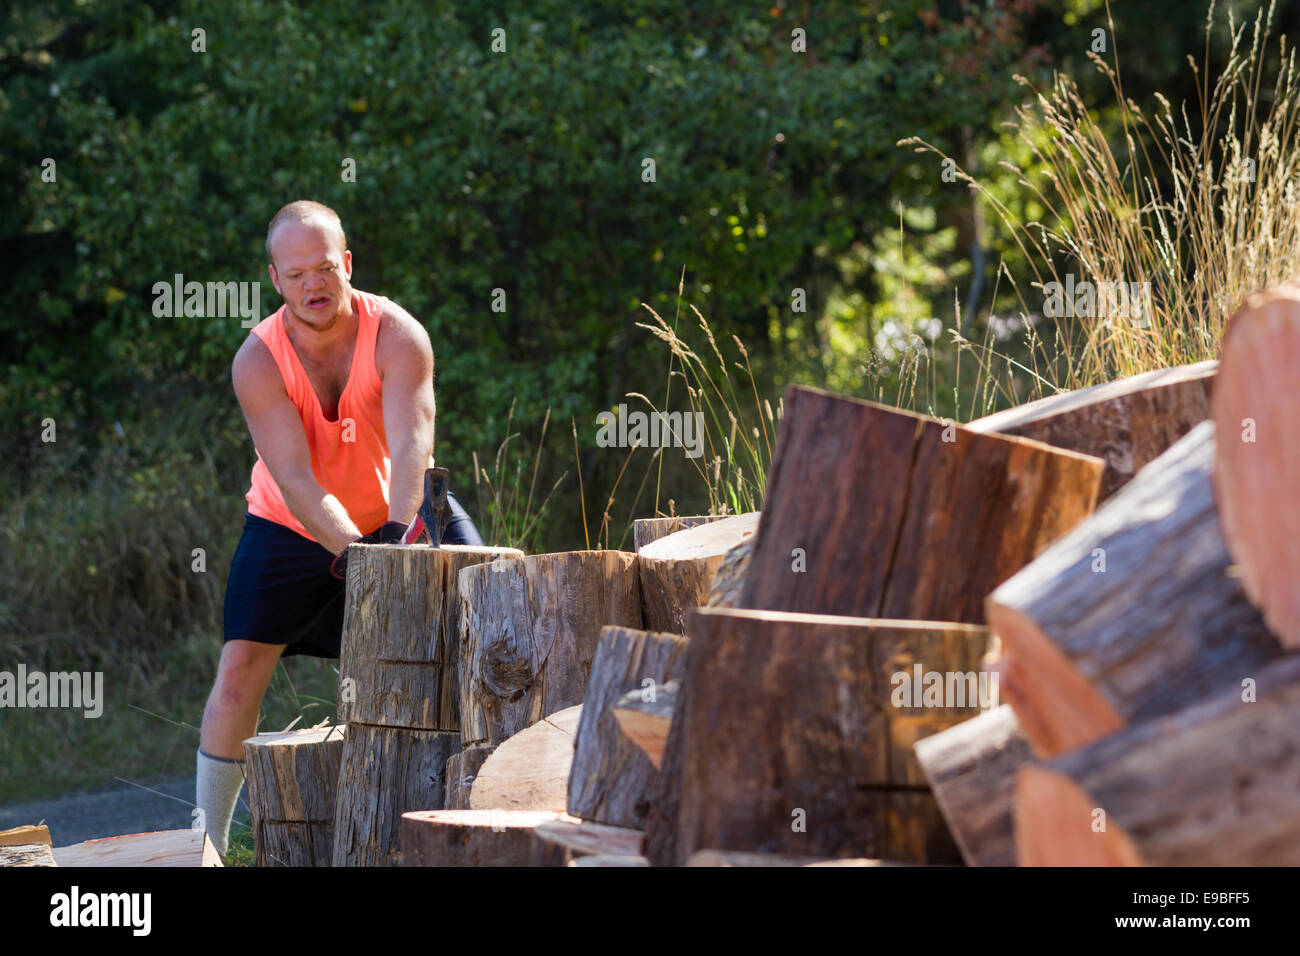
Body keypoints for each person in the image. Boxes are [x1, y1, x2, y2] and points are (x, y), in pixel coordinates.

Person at [195, 200, 481, 859]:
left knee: (494, 619)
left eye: (325, 268)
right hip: (292, 523)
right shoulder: (256, 360)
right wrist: (356, 554)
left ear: (346, 264)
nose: (313, 285)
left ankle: (491, 805)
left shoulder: (399, 334)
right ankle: (204, 845)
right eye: (297, 275)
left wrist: (398, 533)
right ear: (275, 280)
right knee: (239, 666)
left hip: (402, 513)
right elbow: (294, 476)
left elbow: (415, 440)